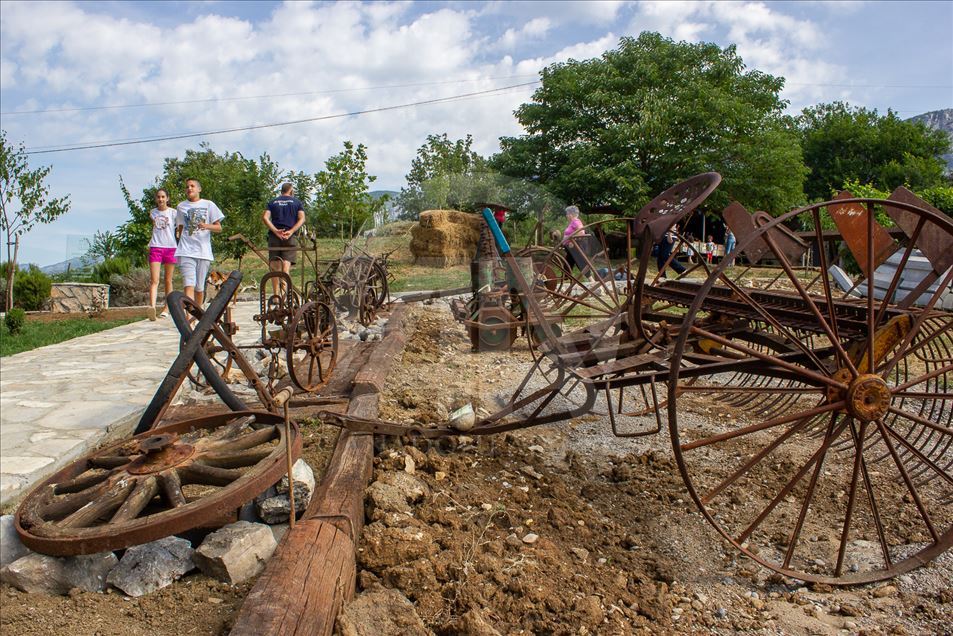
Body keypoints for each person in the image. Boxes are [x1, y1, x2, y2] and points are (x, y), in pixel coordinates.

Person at [175, 178, 224, 307]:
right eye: (187, 187)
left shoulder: (209, 205)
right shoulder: (181, 206)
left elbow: (219, 228)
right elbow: (179, 226)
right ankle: (188, 320)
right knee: (188, 284)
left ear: (199, 189)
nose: (189, 188)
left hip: (203, 251)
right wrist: (178, 238)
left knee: (199, 287)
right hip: (186, 250)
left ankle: (198, 314)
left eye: (192, 186)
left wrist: (206, 226)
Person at [263, 182, 305, 294]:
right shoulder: (297, 202)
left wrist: (275, 231)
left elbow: (265, 218)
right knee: (286, 268)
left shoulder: (272, 202)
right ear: (291, 191)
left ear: (281, 191)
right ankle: (284, 296)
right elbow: (302, 219)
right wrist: (291, 231)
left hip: (274, 236)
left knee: (274, 267)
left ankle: (276, 296)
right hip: (289, 237)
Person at [147, 188, 177, 321]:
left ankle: (167, 308)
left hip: (170, 247)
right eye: (158, 197)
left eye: (163, 197)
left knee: (168, 280)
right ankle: (152, 307)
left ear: (167, 198)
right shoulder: (152, 213)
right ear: (156, 199)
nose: (161, 199)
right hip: (156, 247)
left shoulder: (174, 213)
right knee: (154, 279)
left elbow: (179, 226)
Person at [562, 205, 592, 280]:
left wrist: (573, 240)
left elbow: (581, 232)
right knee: (568, 263)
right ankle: (565, 279)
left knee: (580, 263)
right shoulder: (572, 222)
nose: (566, 216)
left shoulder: (576, 221)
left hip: (574, 247)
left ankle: (591, 279)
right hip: (570, 248)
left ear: (571, 214)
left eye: (567, 214)